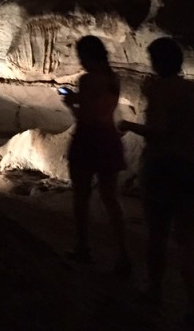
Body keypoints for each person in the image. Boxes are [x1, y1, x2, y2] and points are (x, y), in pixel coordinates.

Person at [119, 38, 194, 326]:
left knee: (158, 235)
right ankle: (193, 307)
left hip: (163, 169)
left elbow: (157, 130)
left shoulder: (159, 89)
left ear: (157, 63)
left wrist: (128, 125)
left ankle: (154, 292)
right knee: (189, 241)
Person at [61, 35, 130, 274]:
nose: (81, 62)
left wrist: (70, 105)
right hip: (109, 140)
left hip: (88, 140)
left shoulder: (88, 80)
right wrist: (79, 98)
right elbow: (100, 105)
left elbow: (87, 116)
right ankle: (123, 253)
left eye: (82, 57)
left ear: (90, 57)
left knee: (81, 197)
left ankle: (83, 248)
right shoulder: (113, 79)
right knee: (111, 200)